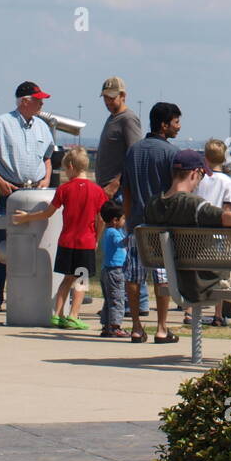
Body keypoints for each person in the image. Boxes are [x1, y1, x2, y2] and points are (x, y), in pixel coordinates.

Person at [144, 149, 231, 354]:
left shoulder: (153, 205)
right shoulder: (191, 204)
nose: (199, 181)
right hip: (207, 281)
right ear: (194, 173)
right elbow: (226, 217)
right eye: (200, 176)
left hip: (177, 281)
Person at [0, 82, 55, 311]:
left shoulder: (42, 127)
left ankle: (31, 294)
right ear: (25, 101)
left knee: (38, 243)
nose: (42, 103)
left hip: (37, 193)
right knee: (4, 244)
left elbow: (48, 158)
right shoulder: (1, 124)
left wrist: (47, 178)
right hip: (11, 192)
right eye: (38, 99)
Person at [12, 146, 105, 330]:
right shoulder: (97, 191)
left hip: (66, 241)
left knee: (66, 279)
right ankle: (74, 315)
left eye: (64, 169)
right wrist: (97, 239)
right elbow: (101, 219)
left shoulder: (64, 189)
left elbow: (47, 213)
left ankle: (58, 314)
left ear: (71, 166)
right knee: (81, 280)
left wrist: (27, 217)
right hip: (86, 242)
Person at [122, 102, 182, 344]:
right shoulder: (170, 153)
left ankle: (136, 326)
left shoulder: (133, 151)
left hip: (137, 224)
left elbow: (125, 190)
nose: (178, 127)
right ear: (164, 124)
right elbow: (175, 190)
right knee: (162, 276)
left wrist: (128, 221)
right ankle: (161, 327)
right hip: (162, 226)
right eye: (176, 122)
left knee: (134, 276)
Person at [94, 77, 143, 323]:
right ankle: (118, 300)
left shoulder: (128, 119)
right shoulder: (112, 118)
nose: (108, 102)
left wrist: (117, 183)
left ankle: (131, 302)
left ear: (123, 96)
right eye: (105, 97)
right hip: (107, 191)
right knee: (114, 247)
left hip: (120, 192)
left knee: (124, 248)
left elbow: (134, 155)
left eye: (112, 98)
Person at [197, 138, 231, 327]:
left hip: (197, 231)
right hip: (218, 231)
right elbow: (227, 211)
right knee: (219, 274)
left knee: (194, 271)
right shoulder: (228, 182)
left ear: (205, 157)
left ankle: (191, 310)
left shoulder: (198, 178)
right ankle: (218, 313)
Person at [98, 200, 129, 339]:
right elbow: (120, 243)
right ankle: (116, 327)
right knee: (118, 298)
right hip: (115, 270)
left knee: (109, 300)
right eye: (123, 218)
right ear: (115, 220)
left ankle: (107, 326)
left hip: (106, 269)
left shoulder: (107, 231)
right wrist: (131, 237)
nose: (124, 221)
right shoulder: (114, 232)